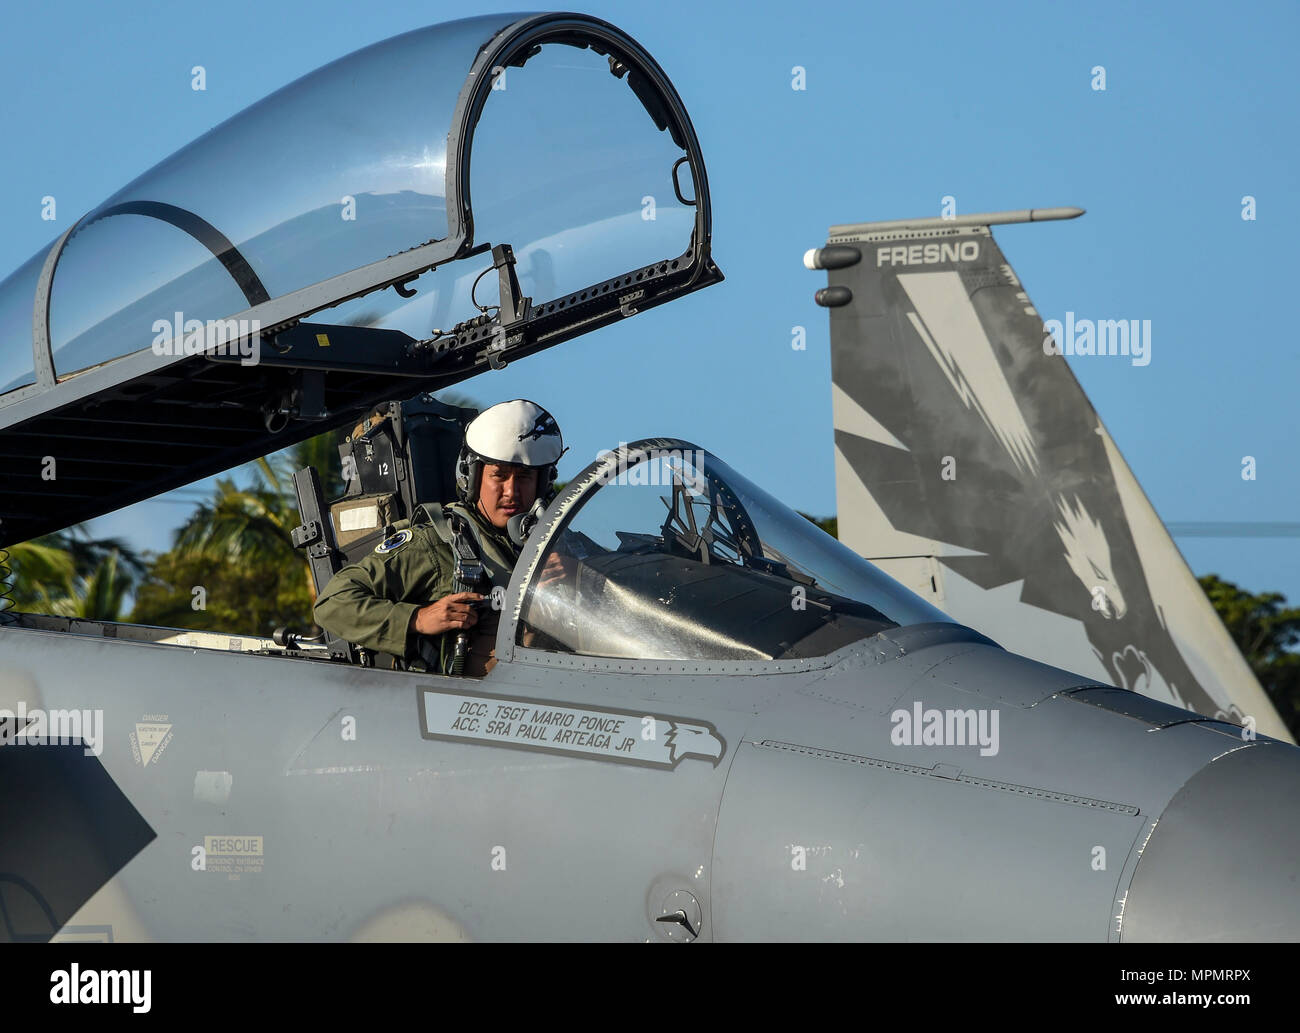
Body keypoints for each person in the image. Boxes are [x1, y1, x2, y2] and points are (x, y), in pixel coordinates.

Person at [313, 399, 564, 676]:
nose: (511, 492)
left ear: (543, 482)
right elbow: (333, 602)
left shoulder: (560, 547)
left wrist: (580, 577)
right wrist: (417, 619)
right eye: (499, 476)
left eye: (525, 477)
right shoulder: (436, 544)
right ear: (472, 476)